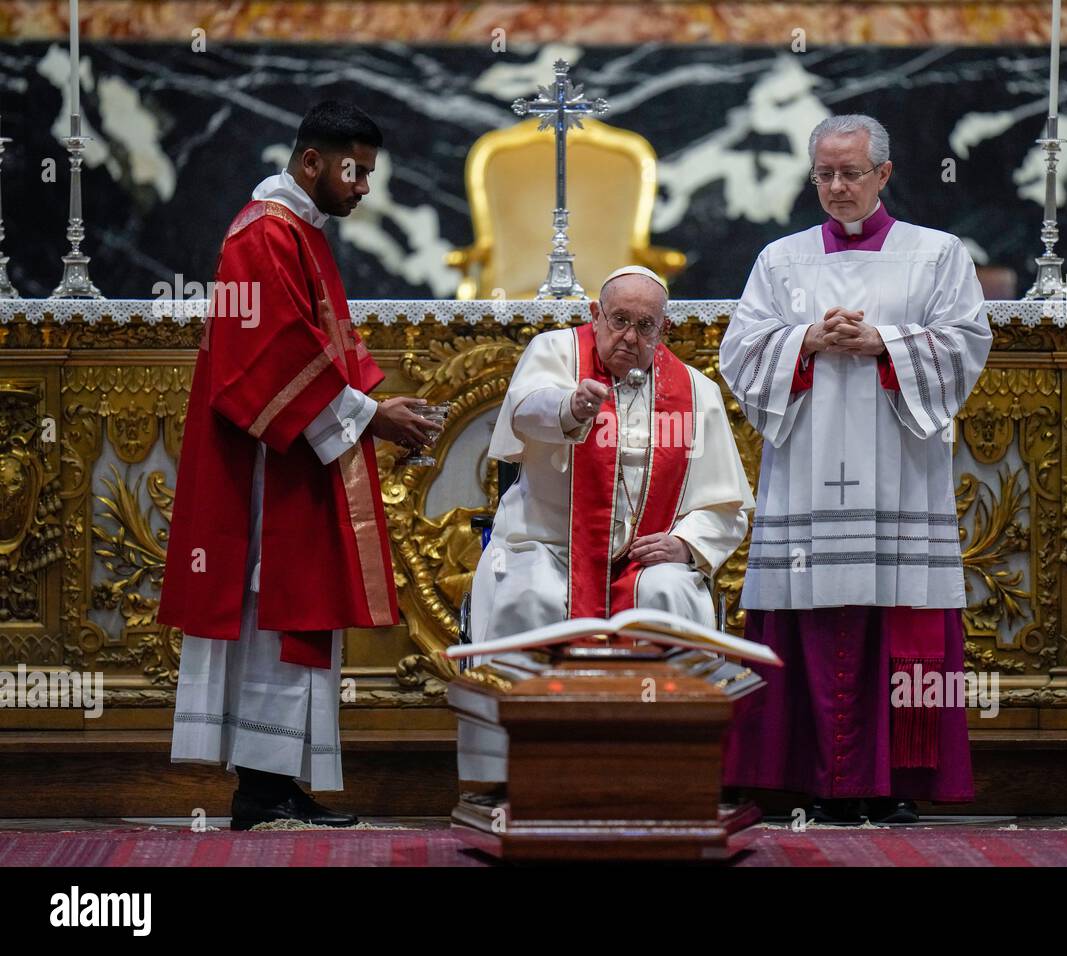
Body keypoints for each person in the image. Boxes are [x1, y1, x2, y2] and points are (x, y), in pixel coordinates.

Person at [159, 101, 437, 830]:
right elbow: (267, 358)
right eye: (355, 171)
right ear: (311, 161)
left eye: (370, 173)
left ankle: (273, 783)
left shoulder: (299, 233)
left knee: (290, 617)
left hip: (295, 458)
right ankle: (261, 790)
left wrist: (379, 405)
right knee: (270, 615)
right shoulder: (263, 235)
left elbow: (326, 347)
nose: (364, 188)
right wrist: (373, 418)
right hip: (264, 474)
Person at [719, 114, 992, 825]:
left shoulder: (937, 255)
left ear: (884, 175)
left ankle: (894, 780)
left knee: (897, 621)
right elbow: (739, 353)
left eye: (851, 173)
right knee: (803, 619)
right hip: (808, 470)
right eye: (825, 175)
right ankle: (796, 776)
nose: (837, 187)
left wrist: (885, 342)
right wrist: (805, 339)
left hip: (900, 469)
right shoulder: (781, 260)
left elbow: (966, 342)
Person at [469, 265, 754, 640]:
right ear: (595, 315)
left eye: (645, 326)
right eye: (619, 320)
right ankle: (530, 701)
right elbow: (525, 411)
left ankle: (658, 700)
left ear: (663, 330)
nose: (629, 337)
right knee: (531, 595)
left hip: (646, 560)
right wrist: (570, 408)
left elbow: (726, 506)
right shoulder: (555, 351)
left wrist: (685, 544)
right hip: (547, 545)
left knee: (666, 594)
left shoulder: (698, 392)